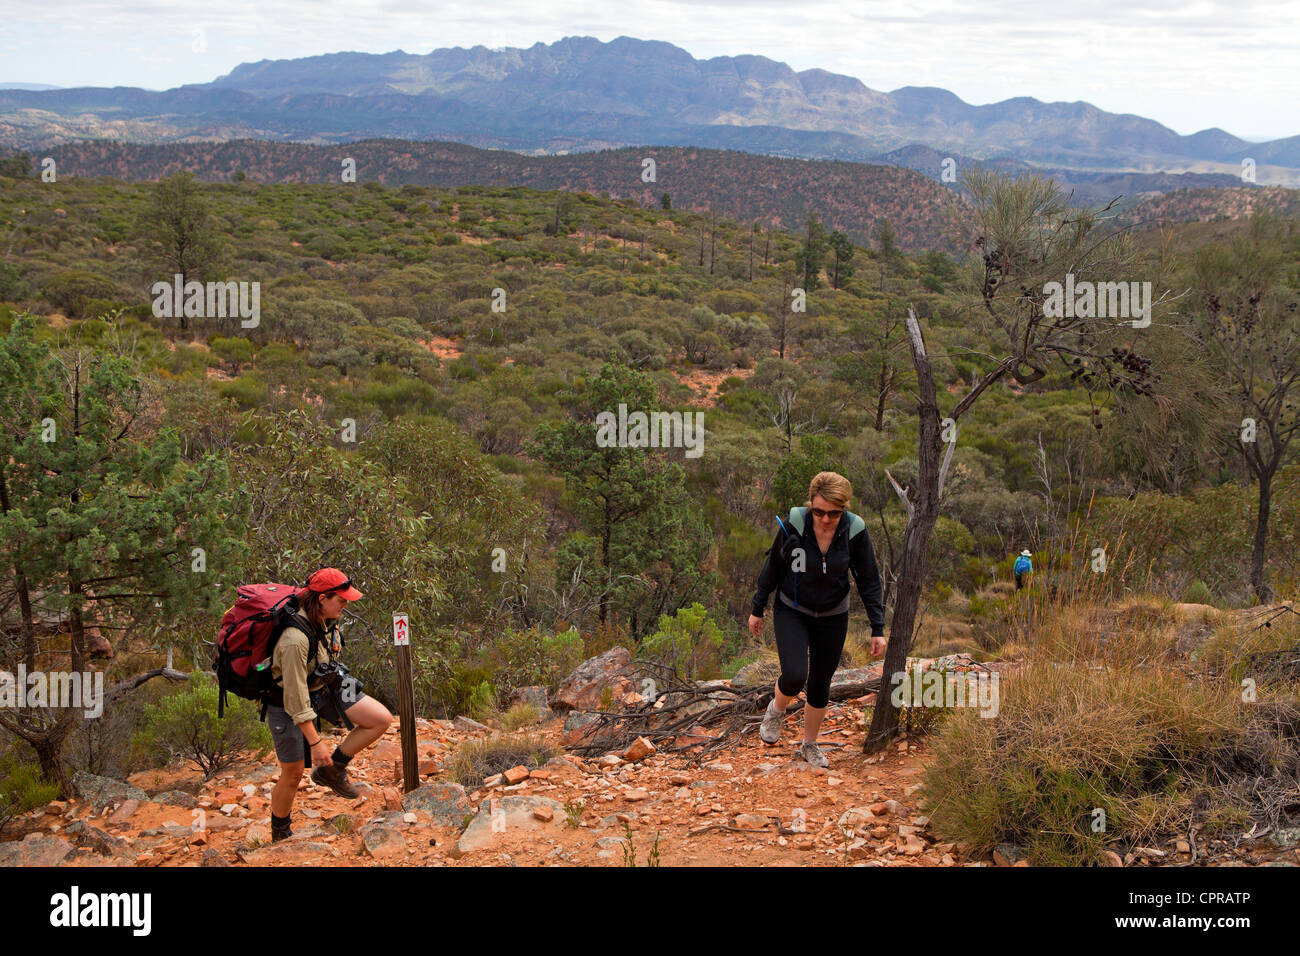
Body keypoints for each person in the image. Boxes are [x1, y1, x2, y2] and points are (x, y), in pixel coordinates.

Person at [748, 472, 887, 768]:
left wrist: (878, 627)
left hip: (833, 615)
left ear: (844, 509)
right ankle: (776, 709)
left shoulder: (854, 531)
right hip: (792, 609)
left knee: (820, 682)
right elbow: (772, 566)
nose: (826, 519)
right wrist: (757, 607)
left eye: (834, 513)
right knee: (796, 674)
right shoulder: (795, 525)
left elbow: (869, 580)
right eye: (819, 512)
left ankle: (809, 744)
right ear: (811, 505)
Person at [267, 568, 393, 842]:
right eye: (342, 600)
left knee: (380, 719)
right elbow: (295, 700)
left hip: (324, 688)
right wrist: (315, 742)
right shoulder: (294, 640)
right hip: (286, 704)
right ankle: (281, 833)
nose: (346, 605)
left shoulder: (325, 620)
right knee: (293, 772)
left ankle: (332, 770)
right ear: (322, 598)